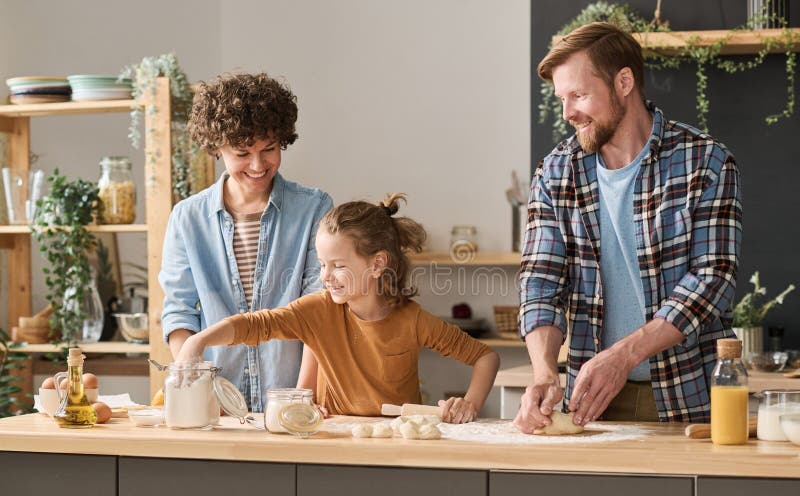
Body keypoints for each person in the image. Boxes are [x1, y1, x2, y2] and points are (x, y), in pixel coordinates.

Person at [514, 22, 742, 432]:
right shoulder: (554, 174)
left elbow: (713, 277)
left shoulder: (704, 162)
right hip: (590, 401)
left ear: (624, 82)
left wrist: (623, 355)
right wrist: (545, 372)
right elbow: (541, 283)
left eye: (579, 95)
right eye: (562, 99)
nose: (568, 113)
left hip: (688, 396)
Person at [176, 193, 500, 423]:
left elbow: (485, 357)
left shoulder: (412, 320)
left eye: (338, 265)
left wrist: (469, 404)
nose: (325, 276)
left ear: (377, 265)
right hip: (334, 445)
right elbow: (256, 325)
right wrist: (197, 341)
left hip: (397, 450)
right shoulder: (318, 310)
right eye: (321, 264)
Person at [159, 72, 333, 413]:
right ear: (216, 147)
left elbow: (321, 308)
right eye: (242, 153)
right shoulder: (187, 218)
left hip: (295, 399)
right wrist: (197, 384)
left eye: (269, 149)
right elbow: (178, 310)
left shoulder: (314, 209)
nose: (257, 165)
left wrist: (300, 398)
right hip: (216, 402)